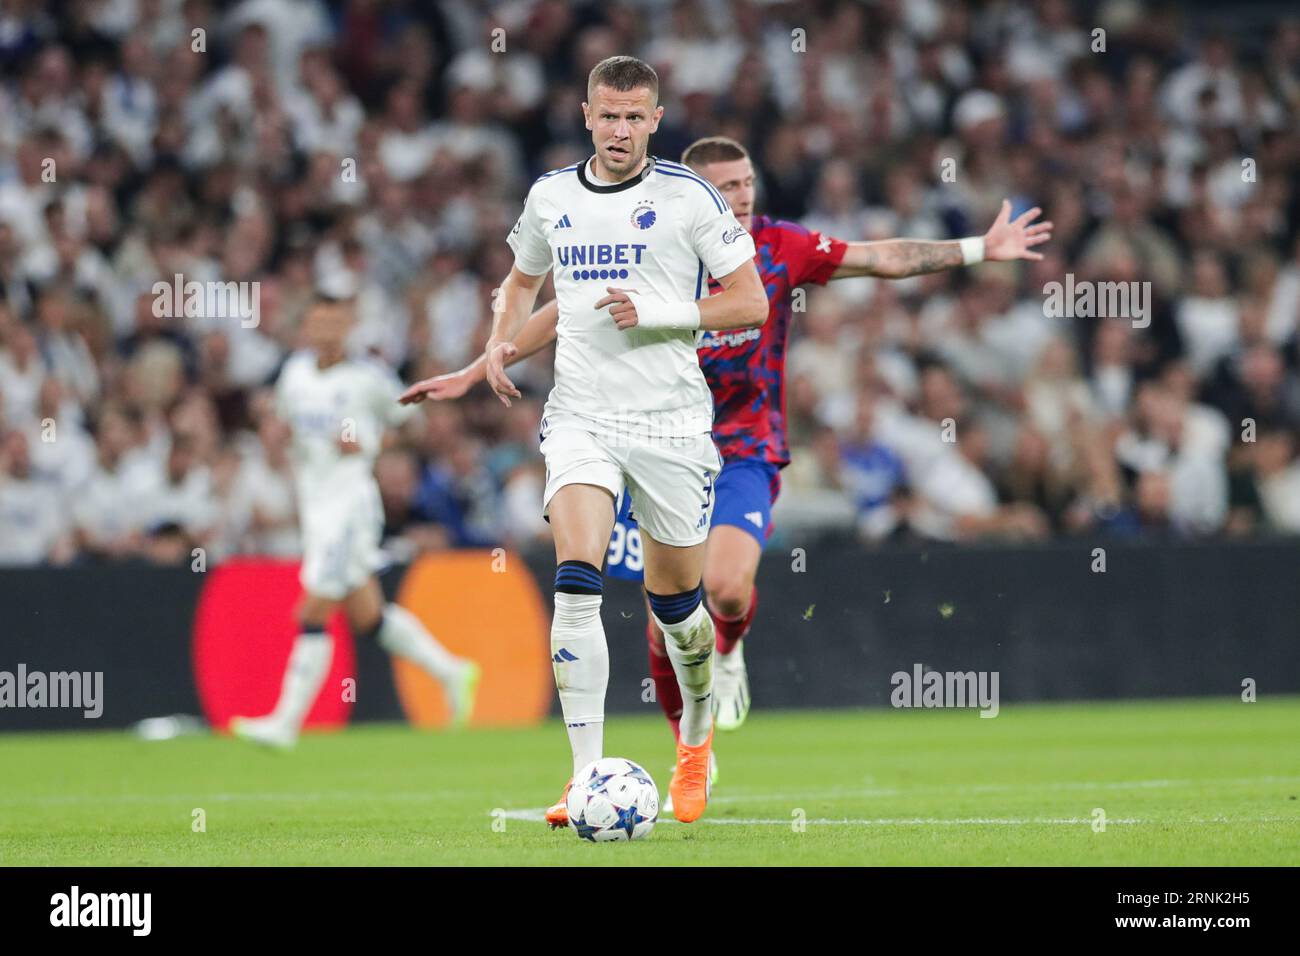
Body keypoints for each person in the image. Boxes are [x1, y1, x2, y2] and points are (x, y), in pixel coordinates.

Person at [405, 136, 1051, 805]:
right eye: (727, 187)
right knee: (665, 618)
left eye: (746, 184)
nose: (740, 197)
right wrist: (483, 365)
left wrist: (978, 248)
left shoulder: (778, 247)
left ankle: (732, 650)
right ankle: (690, 742)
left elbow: (880, 258)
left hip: (744, 447)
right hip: (650, 437)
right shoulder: (657, 240)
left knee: (729, 591)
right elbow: (562, 312)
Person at [407, 56, 767, 825]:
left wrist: (662, 314)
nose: (620, 130)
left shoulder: (688, 197)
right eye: (609, 115)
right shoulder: (550, 197)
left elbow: (751, 303)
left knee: (677, 612)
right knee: (578, 575)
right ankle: (583, 777)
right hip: (582, 416)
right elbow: (527, 286)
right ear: (586, 114)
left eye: (636, 117)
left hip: (671, 422)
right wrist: (492, 351)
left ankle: (696, 745)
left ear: (657, 121)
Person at [231, 296, 480, 749]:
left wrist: (368, 442)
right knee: (367, 617)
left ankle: (285, 724)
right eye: (318, 321)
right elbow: (284, 424)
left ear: (347, 325)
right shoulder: (295, 374)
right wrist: (279, 430)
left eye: (334, 321)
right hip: (315, 507)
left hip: (350, 506)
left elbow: (413, 423)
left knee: (312, 611)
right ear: (306, 325)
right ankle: (451, 670)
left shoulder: (369, 378)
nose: (325, 330)